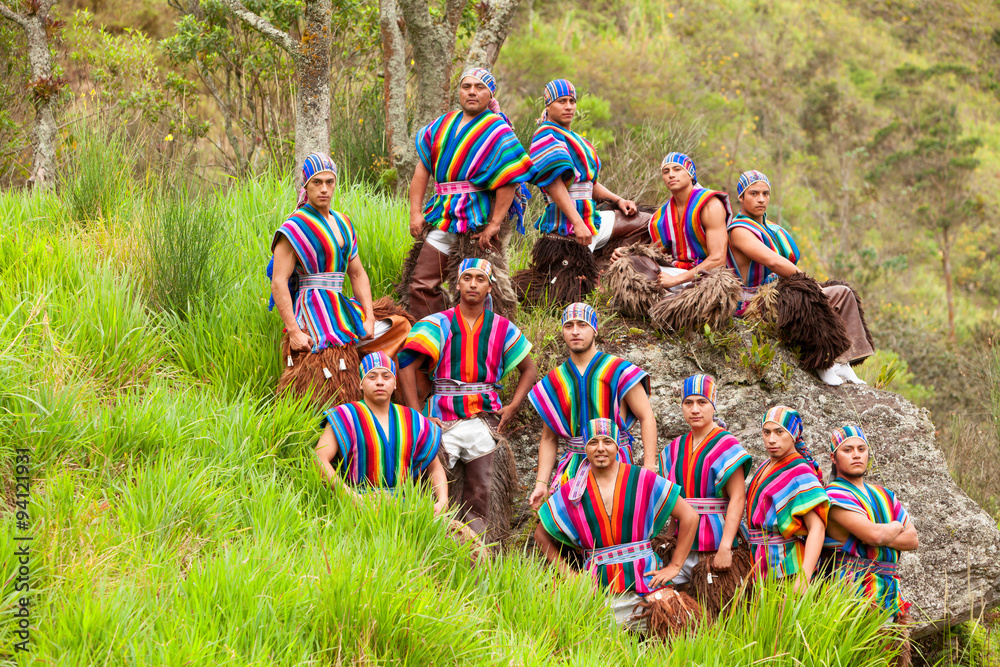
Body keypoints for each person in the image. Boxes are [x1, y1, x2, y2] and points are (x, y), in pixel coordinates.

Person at [398, 258, 538, 538]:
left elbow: (529, 369)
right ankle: (430, 542)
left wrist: (511, 407)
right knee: (432, 485)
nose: (473, 284)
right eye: (467, 278)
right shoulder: (436, 323)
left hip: (484, 418)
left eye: (480, 279)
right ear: (458, 284)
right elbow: (405, 364)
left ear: (490, 287)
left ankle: (484, 551)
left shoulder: (502, 327)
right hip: (441, 416)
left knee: (482, 489)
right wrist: (417, 414)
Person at [534, 418, 702, 636]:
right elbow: (540, 534)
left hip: (647, 584)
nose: (601, 448)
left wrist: (675, 566)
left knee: (675, 636)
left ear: (617, 446)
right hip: (598, 591)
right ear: (584, 447)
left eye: (607, 441)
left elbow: (689, 516)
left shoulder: (642, 479)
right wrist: (570, 575)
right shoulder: (572, 491)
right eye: (593, 442)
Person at [270, 153, 412, 407]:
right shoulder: (292, 228)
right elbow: (279, 282)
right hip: (313, 309)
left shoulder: (344, 222)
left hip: (341, 305)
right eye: (317, 182)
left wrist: (369, 316)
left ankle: (397, 407)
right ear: (305, 185)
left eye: (329, 182)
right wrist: (293, 331)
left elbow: (357, 273)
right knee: (334, 365)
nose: (324, 189)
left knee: (401, 326)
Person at [399, 68, 535, 320]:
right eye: (466, 86)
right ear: (459, 91)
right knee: (420, 284)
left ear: (490, 94)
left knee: (479, 291)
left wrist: (494, 224)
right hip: (442, 214)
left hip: (478, 217)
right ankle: (434, 336)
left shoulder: (497, 130)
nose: (472, 91)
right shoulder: (440, 125)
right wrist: (415, 212)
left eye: (479, 87)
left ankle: (490, 344)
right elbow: (422, 170)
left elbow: (509, 180)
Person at [727, 170, 875, 385]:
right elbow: (773, 262)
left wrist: (808, 284)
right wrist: (808, 283)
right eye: (753, 193)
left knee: (843, 292)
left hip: (778, 292)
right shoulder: (738, 230)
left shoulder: (771, 229)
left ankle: (843, 362)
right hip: (751, 302)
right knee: (806, 298)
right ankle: (822, 362)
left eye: (765, 193)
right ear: (741, 197)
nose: (761, 199)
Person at [512, 79, 639, 305]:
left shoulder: (579, 140)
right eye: (561, 101)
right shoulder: (545, 136)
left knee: (646, 221)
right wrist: (577, 222)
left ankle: (602, 269)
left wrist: (619, 200)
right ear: (548, 105)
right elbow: (554, 184)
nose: (569, 106)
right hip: (567, 227)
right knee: (564, 296)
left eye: (572, 101)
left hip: (592, 220)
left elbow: (591, 185)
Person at [527, 302, 657, 510]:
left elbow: (646, 416)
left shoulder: (618, 370)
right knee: (570, 531)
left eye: (582, 325)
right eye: (569, 326)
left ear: (594, 330)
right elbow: (549, 438)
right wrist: (541, 484)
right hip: (574, 466)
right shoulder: (555, 381)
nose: (575, 332)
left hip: (617, 461)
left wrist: (650, 465)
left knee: (621, 521)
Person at [604, 152, 741, 331]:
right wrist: (626, 254)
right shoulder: (660, 217)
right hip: (675, 274)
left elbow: (718, 260)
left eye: (677, 169)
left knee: (708, 289)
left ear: (691, 174)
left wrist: (675, 281)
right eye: (666, 171)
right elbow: (658, 257)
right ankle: (658, 305)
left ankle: (669, 308)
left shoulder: (710, 205)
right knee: (631, 263)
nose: (671, 174)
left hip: (707, 278)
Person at [657, 374, 753, 617]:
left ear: (714, 405)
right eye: (688, 403)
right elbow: (671, 502)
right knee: (680, 609)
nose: (695, 409)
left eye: (702, 402)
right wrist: (668, 541)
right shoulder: (672, 449)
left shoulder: (727, 445)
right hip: (682, 541)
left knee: (719, 607)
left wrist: (725, 547)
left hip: (716, 541)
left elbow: (737, 498)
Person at [315, 351, 447, 511]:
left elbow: (434, 467)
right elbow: (319, 458)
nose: (380, 382)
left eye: (386, 376)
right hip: (359, 505)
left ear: (395, 383)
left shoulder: (413, 419)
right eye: (372, 376)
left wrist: (442, 501)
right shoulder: (345, 416)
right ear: (361, 383)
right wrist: (350, 495)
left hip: (405, 507)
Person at [824, 425, 918, 622]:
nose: (856, 455)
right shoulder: (834, 495)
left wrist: (877, 535)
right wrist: (897, 526)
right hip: (852, 591)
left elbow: (913, 540)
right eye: (847, 450)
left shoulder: (884, 495)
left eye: (861, 449)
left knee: (891, 651)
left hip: (889, 591)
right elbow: (873, 536)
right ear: (834, 458)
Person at [745, 406, 829, 592]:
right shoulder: (766, 465)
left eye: (779, 432)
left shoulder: (799, 470)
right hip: (761, 560)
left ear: (793, 434)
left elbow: (817, 527)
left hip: (786, 565)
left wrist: (804, 576)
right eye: (766, 432)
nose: (771, 439)